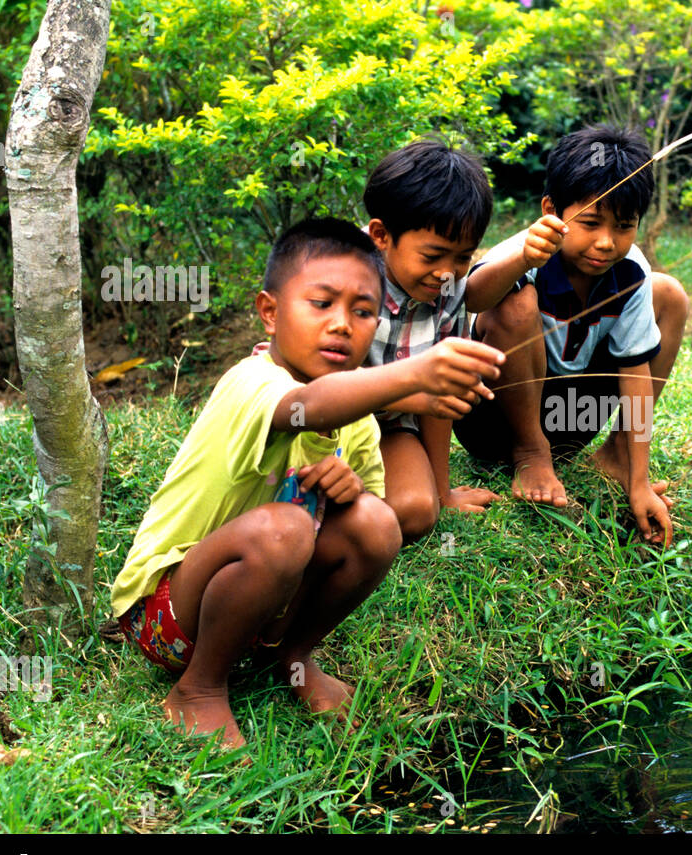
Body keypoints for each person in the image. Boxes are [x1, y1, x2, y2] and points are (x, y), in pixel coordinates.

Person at [110, 217, 504, 749]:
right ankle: (198, 688)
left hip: (262, 614)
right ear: (270, 313)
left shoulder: (358, 420)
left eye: (363, 312)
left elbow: (358, 516)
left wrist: (351, 491)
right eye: (322, 305)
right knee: (285, 530)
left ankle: (293, 657)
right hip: (168, 613)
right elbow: (305, 408)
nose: (342, 325)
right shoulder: (252, 382)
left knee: (376, 523)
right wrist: (411, 376)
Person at [457, 124, 688, 546]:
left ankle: (616, 454)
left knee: (669, 293)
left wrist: (640, 481)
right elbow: (471, 298)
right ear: (552, 209)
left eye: (623, 225)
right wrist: (521, 259)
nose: (605, 242)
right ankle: (531, 453)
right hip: (493, 422)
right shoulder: (527, 251)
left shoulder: (630, 271)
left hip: (573, 419)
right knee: (515, 302)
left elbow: (636, 376)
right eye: (591, 222)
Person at [359, 140, 504, 541]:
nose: (446, 274)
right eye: (432, 256)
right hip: (318, 426)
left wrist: (443, 492)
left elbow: (439, 402)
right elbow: (318, 392)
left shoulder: (450, 291)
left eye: (462, 258)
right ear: (381, 235)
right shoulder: (345, 281)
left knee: (417, 512)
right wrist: (417, 395)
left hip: (388, 429)